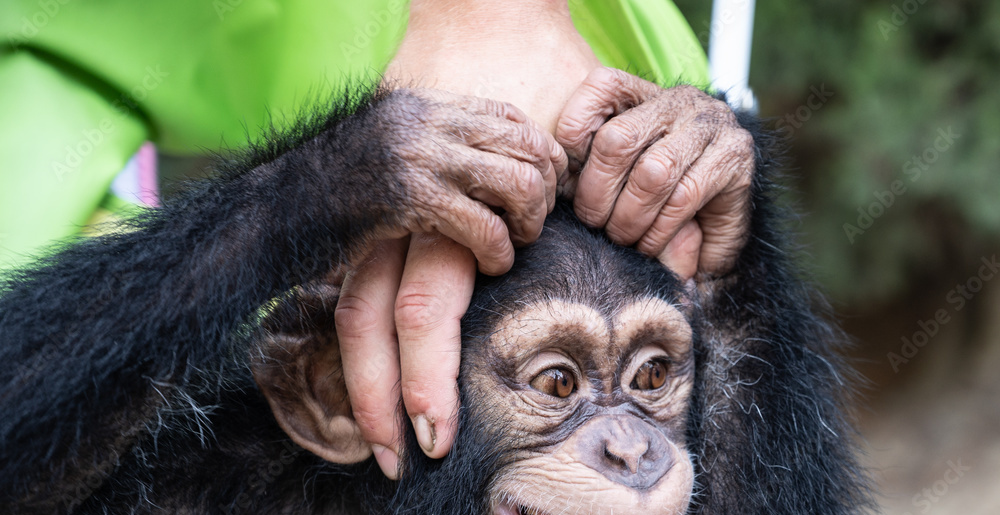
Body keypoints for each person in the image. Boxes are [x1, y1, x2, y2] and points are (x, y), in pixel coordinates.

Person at [0, 0, 754, 476]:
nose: (631, 450)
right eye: (556, 383)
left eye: (653, 379)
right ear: (332, 391)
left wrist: (742, 257)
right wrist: (305, 198)